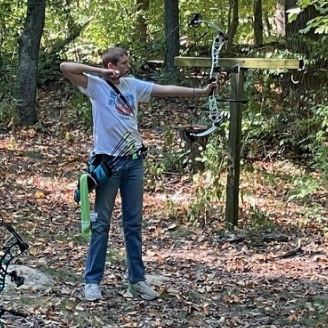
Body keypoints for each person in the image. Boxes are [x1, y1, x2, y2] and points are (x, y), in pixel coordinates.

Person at [61, 47, 214, 301]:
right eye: (122, 63)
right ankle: (92, 281)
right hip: (109, 163)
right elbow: (65, 67)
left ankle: (137, 280)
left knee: (133, 223)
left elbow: (163, 90)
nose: (127, 66)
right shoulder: (96, 86)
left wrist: (200, 91)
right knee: (101, 223)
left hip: (133, 163)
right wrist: (100, 72)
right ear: (111, 66)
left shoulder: (131, 85)